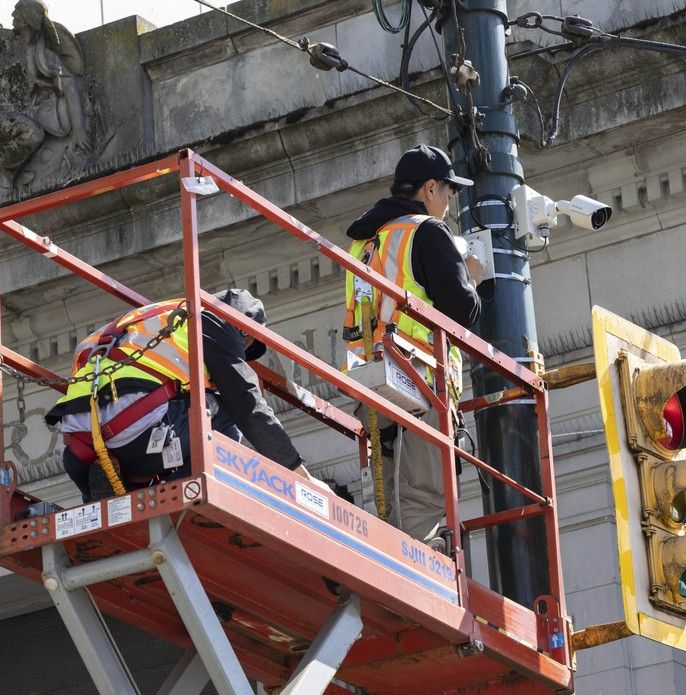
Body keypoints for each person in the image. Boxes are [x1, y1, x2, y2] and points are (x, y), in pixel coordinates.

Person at [45, 289, 328, 501]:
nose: (242, 350)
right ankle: (200, 489)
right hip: (141, 438)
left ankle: (126, 486)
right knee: (227, 406)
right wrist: (299, 475)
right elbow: (246, 401)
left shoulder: (147, 321)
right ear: (244, 326)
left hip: (79, 452)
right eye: (247, 343)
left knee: (177, 411)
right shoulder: (215, 318)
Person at [341, 144, 485, 544]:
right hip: (418, 381)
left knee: (386, 497)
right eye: (449, 192)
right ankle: (420, 569)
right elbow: (461, 313)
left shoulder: (364, 244)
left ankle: (395, 557)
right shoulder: (426, 231)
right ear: (430, 188)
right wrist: (471, 277)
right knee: (425, 493)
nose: (450, 203)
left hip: (372, 384)